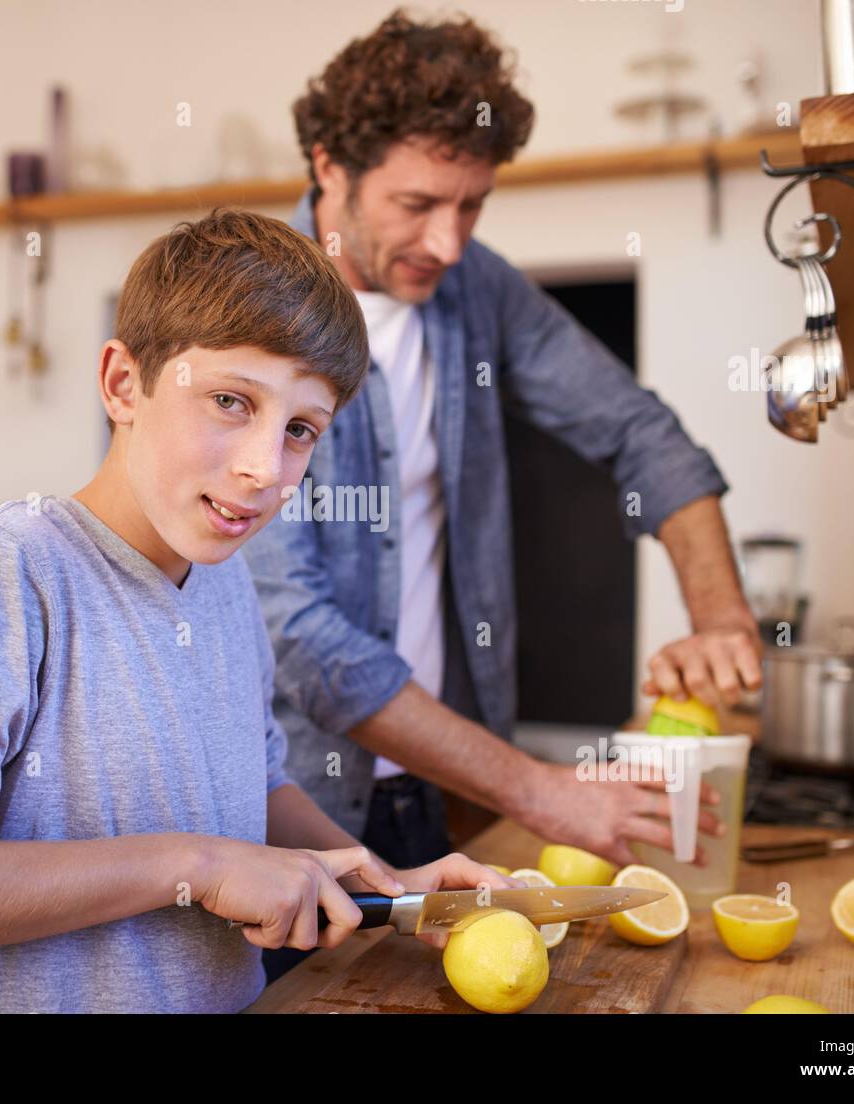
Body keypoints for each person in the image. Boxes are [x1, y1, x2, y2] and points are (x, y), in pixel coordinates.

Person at [0, 209, 516, 1014]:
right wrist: (199, 866)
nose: (263, 469)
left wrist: (384, 884)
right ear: (122, 384)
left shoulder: (226, 579)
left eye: (299, 430)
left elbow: (257, 780)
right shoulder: (13, 569)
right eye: (228, 401)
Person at [242, 10, 764, 889]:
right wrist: (542, 791)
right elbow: (303, 638)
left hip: (451, 797)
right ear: (332, 167)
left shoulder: (474, 286)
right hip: (289, 813)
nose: (449, 241)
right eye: (416, 205)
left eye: (472, 204)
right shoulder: (248, 311)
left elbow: (639, 430)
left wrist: (720, 619)